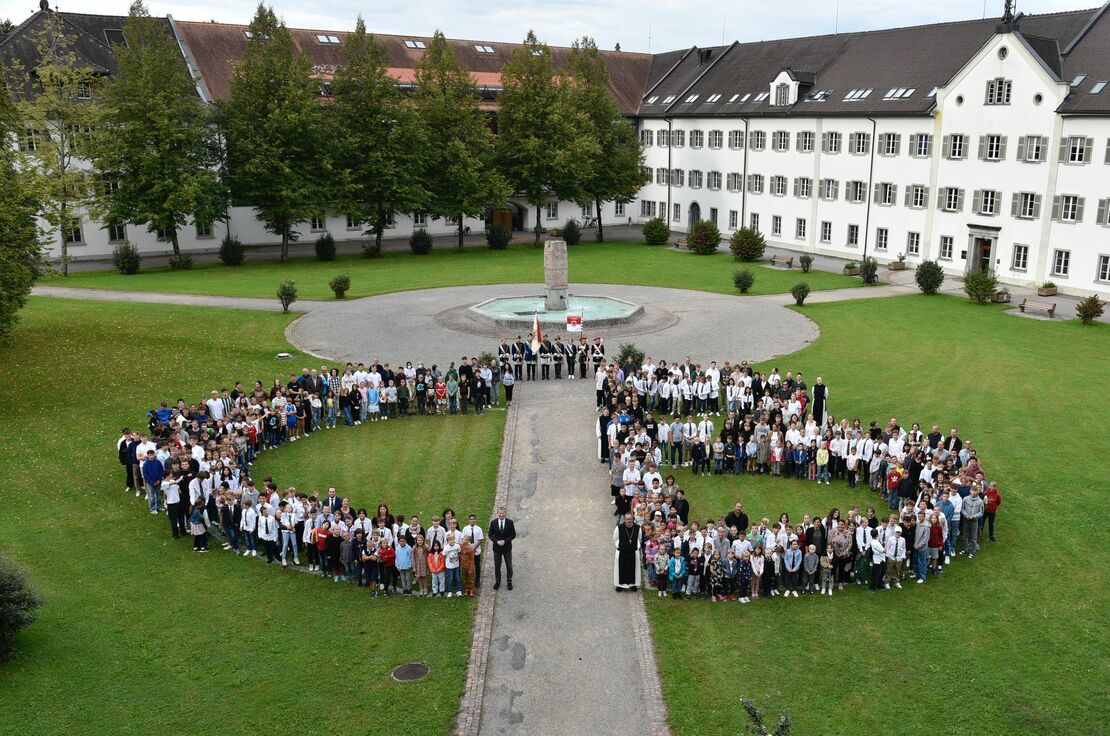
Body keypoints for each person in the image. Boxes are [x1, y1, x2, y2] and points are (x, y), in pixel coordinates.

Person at [488, 506, 516, 590]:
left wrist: (505, 541)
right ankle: (497, 581)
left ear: (505, 513)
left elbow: (513, 534)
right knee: (497, 566)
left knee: (509, 565)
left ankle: (509, 581)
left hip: (507, 548)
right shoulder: (493, 523)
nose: (501, 515)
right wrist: (496, 541)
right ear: (497, 513)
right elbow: (490, 535)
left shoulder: (510, 522)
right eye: (500, 513)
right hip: (497, 548)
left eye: (503, 513)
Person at [613, 512, 642, 592]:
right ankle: (619, 586)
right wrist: (620, 546)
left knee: (633, 569)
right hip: (622, 552)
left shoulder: (637, 528)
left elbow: (639, 538)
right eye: (627, 519)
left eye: (630, 519)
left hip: (633, 552)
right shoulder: (619, 528)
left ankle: (632, 585)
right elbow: (615, 538)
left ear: (632, 519)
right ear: (624, 519)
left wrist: (636, 547)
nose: (629, 521)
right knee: (621, 569)